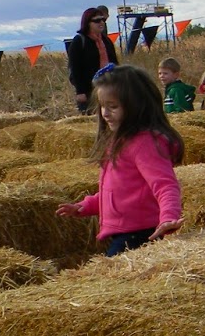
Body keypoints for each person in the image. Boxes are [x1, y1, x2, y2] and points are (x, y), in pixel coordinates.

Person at [55, 64, 184, 256]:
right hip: (127, 233)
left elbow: (165, 185)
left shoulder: (144, 143)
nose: (105, 113)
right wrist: (85, 206)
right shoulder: (120, 141)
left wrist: (168, 217)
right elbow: (118, 192)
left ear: (137, 106)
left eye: (113, 107)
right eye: (102, 107)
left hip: (140, 234)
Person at [66, 7, 118, 113]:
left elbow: (115, 63)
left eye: (103, 20)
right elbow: (75, 68)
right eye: (97, 20)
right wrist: (80, 91)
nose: (101, 23)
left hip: (108, 87)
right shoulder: (79, 41)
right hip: (88, 91)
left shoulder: (106, 41)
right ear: (87, 23)